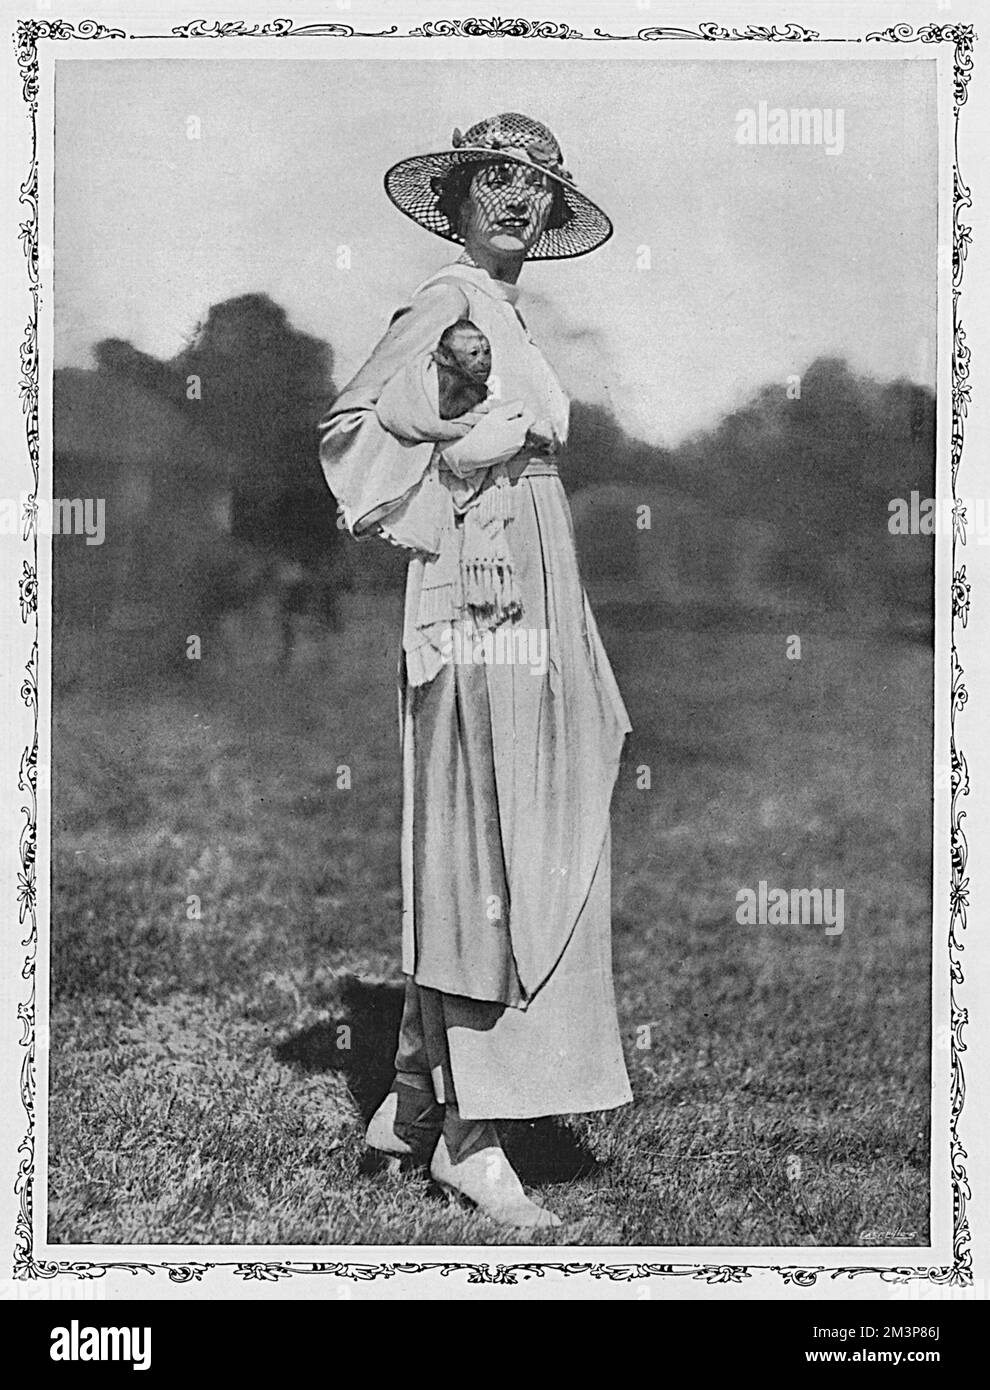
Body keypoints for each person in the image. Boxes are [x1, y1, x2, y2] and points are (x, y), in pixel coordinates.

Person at [319, 113, 632, 1230]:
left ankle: (409, 1102)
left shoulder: (511, 315)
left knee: (530, 815)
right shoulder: (448, 301)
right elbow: (356, 431)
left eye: (537, 184)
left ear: (551, 213)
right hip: (477, 586)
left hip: (539, 572)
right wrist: (458, 447)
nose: (516, 197)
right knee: (486, 830)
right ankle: (472, 1135)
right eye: (493, 178)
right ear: (454, 202)